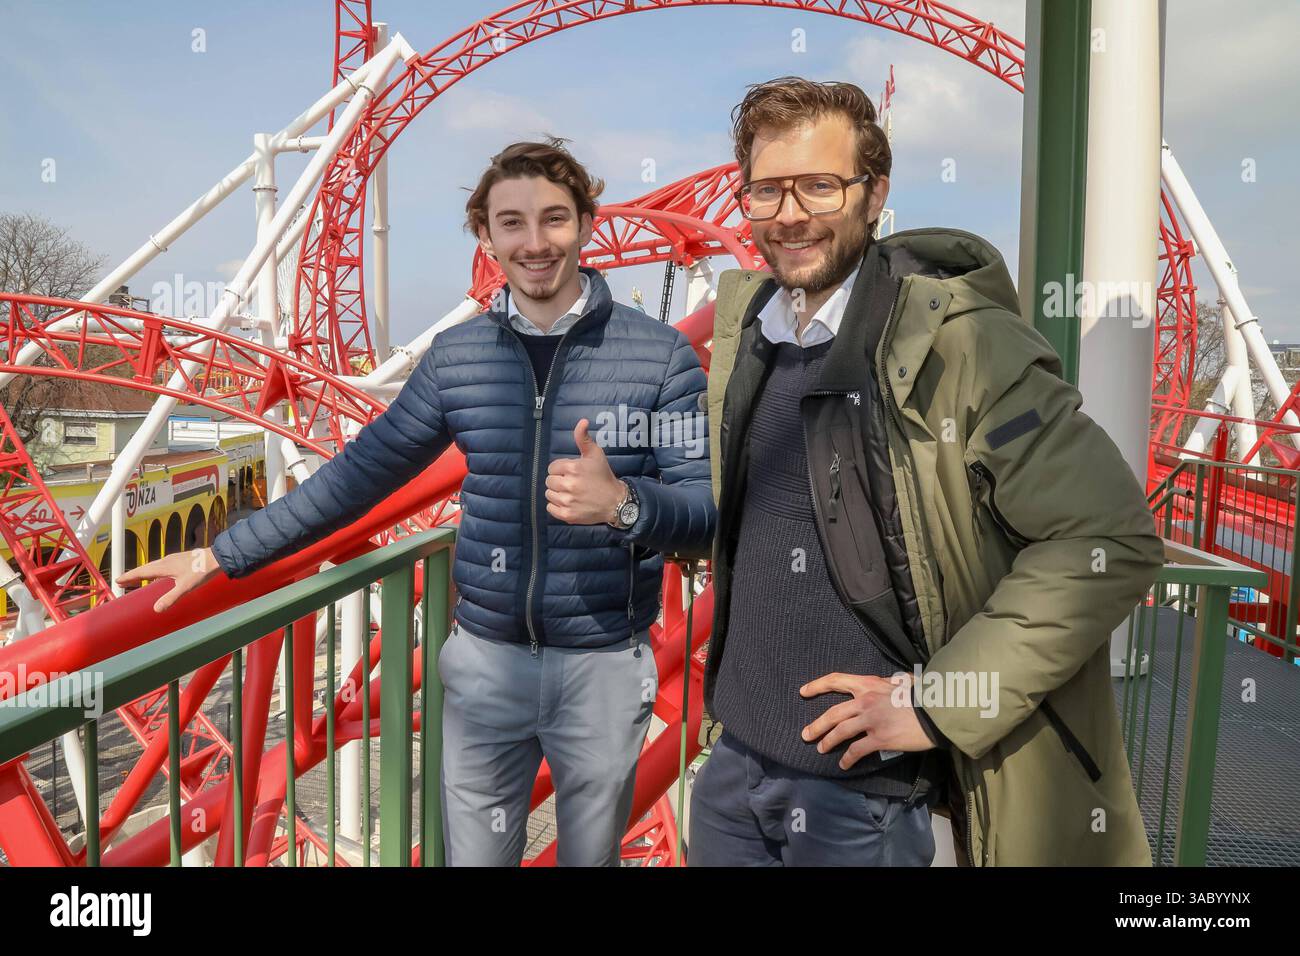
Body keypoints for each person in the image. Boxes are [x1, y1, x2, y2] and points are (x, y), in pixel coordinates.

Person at [120, 138, 716, 867]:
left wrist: (623, 503)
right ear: (486, 237)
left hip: (601, 666)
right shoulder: (457, 358)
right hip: (485, 664)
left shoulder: (661, 356)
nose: (535, 242)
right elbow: (358, 477)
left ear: (588, 226)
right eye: (512, 223)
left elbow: (703, 510)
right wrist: (222, 551)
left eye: (555, 219)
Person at [691, 76, 1163, 866]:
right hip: (735, 768)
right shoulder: (750, 337)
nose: (792, 213)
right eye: (767, 191)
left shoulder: (962, 344)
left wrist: (941, 703)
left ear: (873, 195)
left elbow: (1106, 538)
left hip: (860, 796)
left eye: (820, 185)